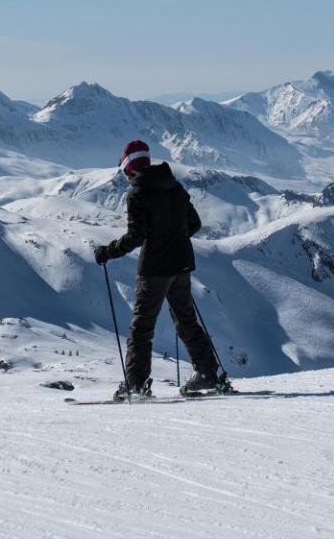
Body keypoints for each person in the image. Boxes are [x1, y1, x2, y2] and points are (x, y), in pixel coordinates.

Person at [93, 140, 232, 401]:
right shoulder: (174, 187)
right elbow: (194, 223)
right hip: (181, 264)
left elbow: (135, 237)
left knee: (142, 326)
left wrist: (107, 252)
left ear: (129, 167)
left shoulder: (138, 193)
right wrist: (173, 239)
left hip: (155, 268)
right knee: (186, 320)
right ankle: (208, 373)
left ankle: (136, 384)